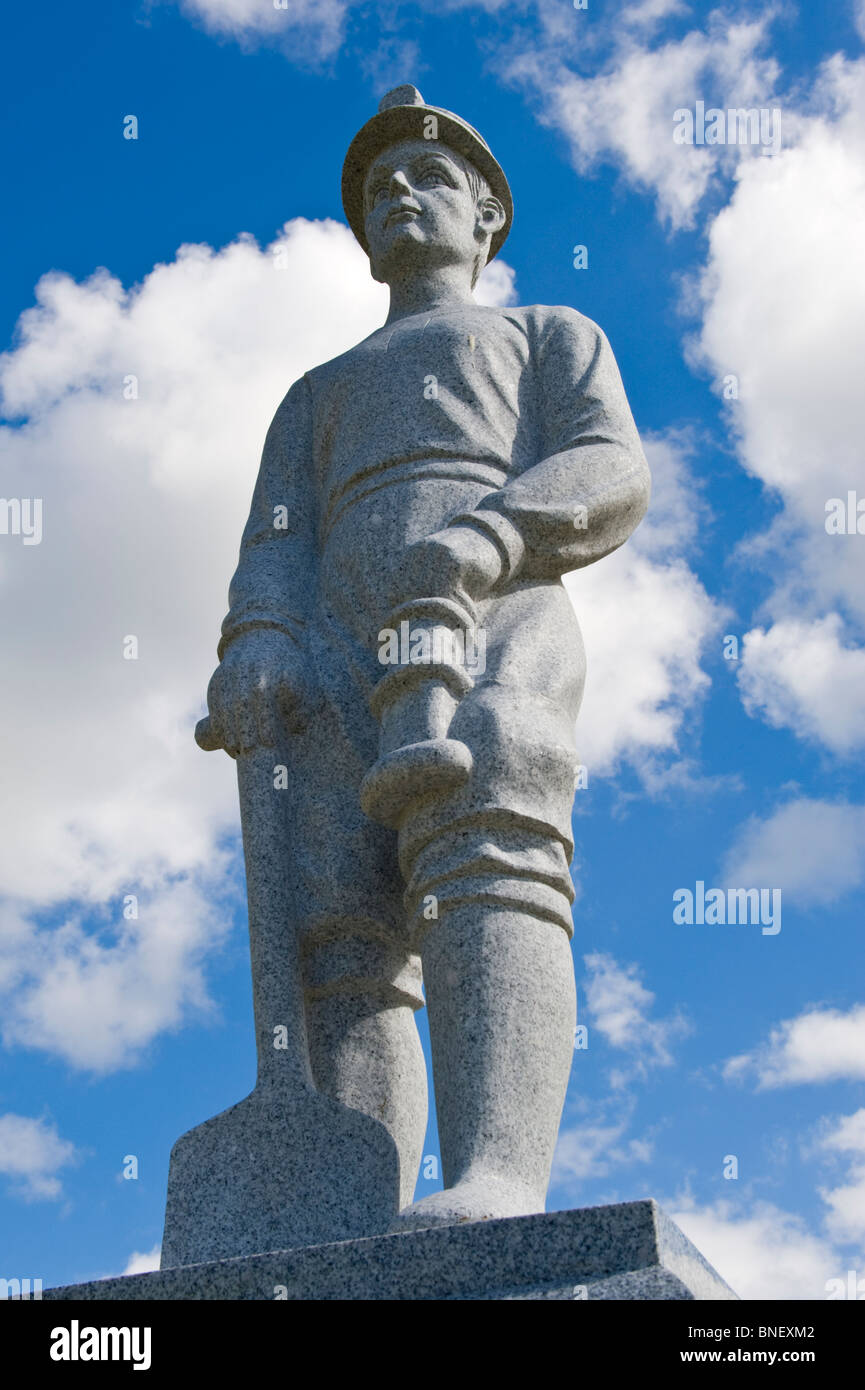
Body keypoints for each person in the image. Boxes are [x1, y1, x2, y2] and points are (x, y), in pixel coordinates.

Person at [200, 85, 651, 1227]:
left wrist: (488, 535)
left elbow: (609, 468)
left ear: (487, 213)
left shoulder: (548, 334)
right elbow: (275, 543)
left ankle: (495, 1173)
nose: (401, 192)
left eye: (430, 176)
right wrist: (257, 639)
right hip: (337, 657)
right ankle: (356, 1209)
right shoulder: (315, 395)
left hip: (497, 616)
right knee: (339, 927)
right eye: (379, 187)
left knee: (488, 841)